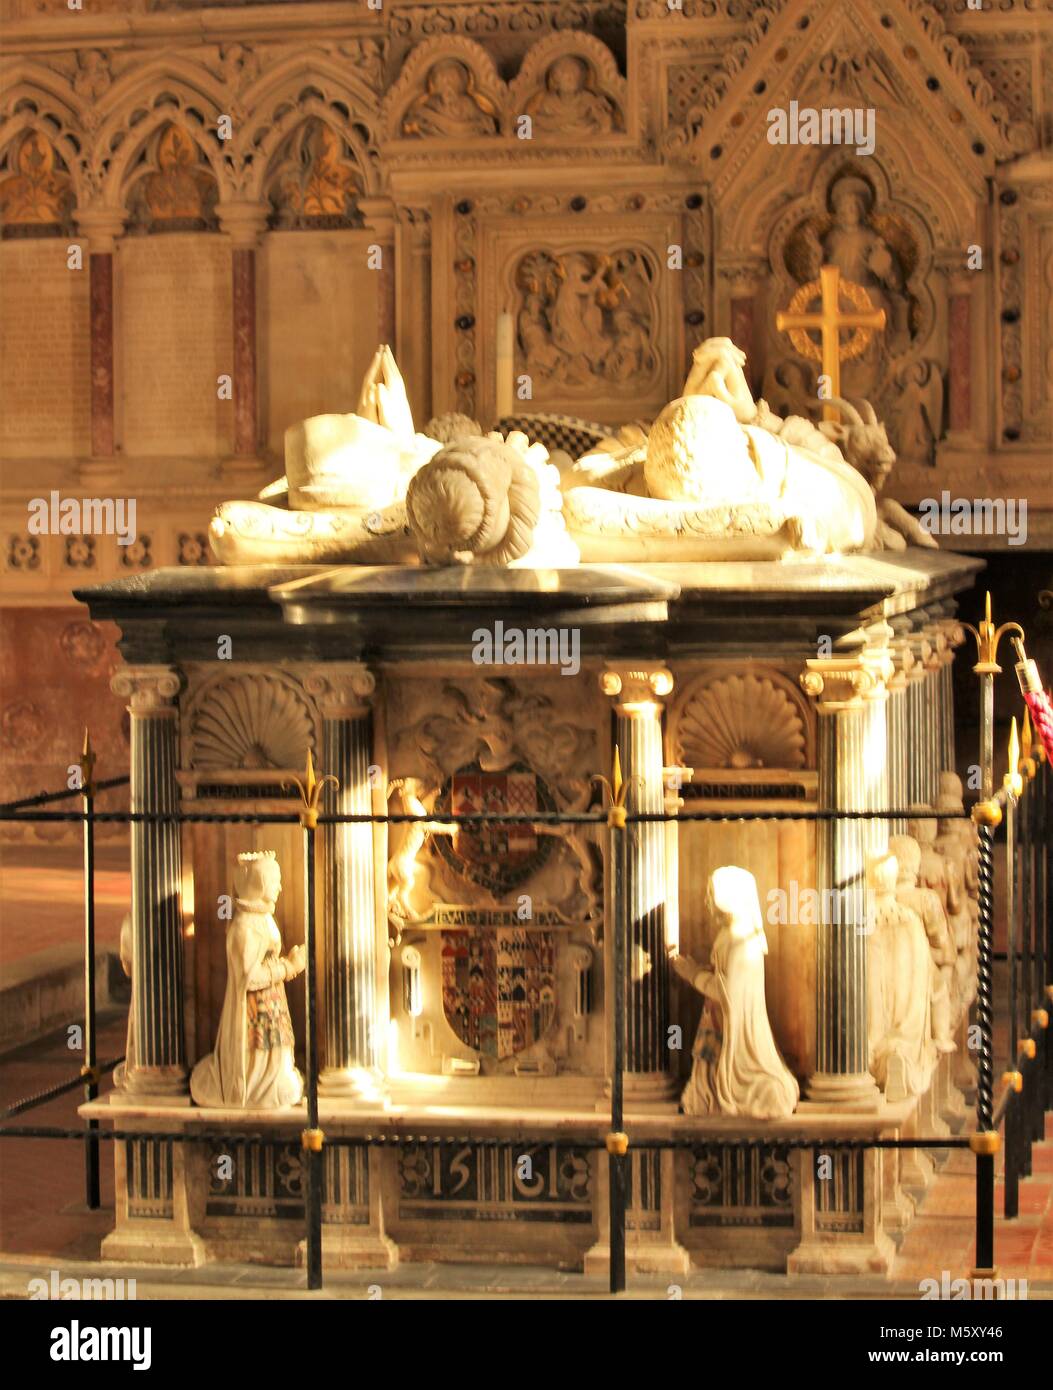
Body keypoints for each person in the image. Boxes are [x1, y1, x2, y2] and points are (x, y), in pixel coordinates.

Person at [672, 865, 798, 1119]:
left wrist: (693, 974)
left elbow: (727, 992)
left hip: (733, 1025)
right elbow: (722, 975)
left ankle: (731, 1090)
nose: (707, 901)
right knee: (707, 1072)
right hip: (717, 1019)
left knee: (747, 1081)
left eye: (712, 894)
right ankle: (708, 1095)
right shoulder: (728, 936)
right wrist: (702, 969)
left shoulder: (744, 943)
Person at [190, 851, 305, 1108]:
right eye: (275, 881)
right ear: (260, 883)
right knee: (259, 1057)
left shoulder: (262, 918)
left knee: (277, 1052)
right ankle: (260, 1089)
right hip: (254, 1008)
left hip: (271, 1003)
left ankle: (273, 1085)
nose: (280, 887)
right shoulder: (244, 927)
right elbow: (250, 978)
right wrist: (289, 967)